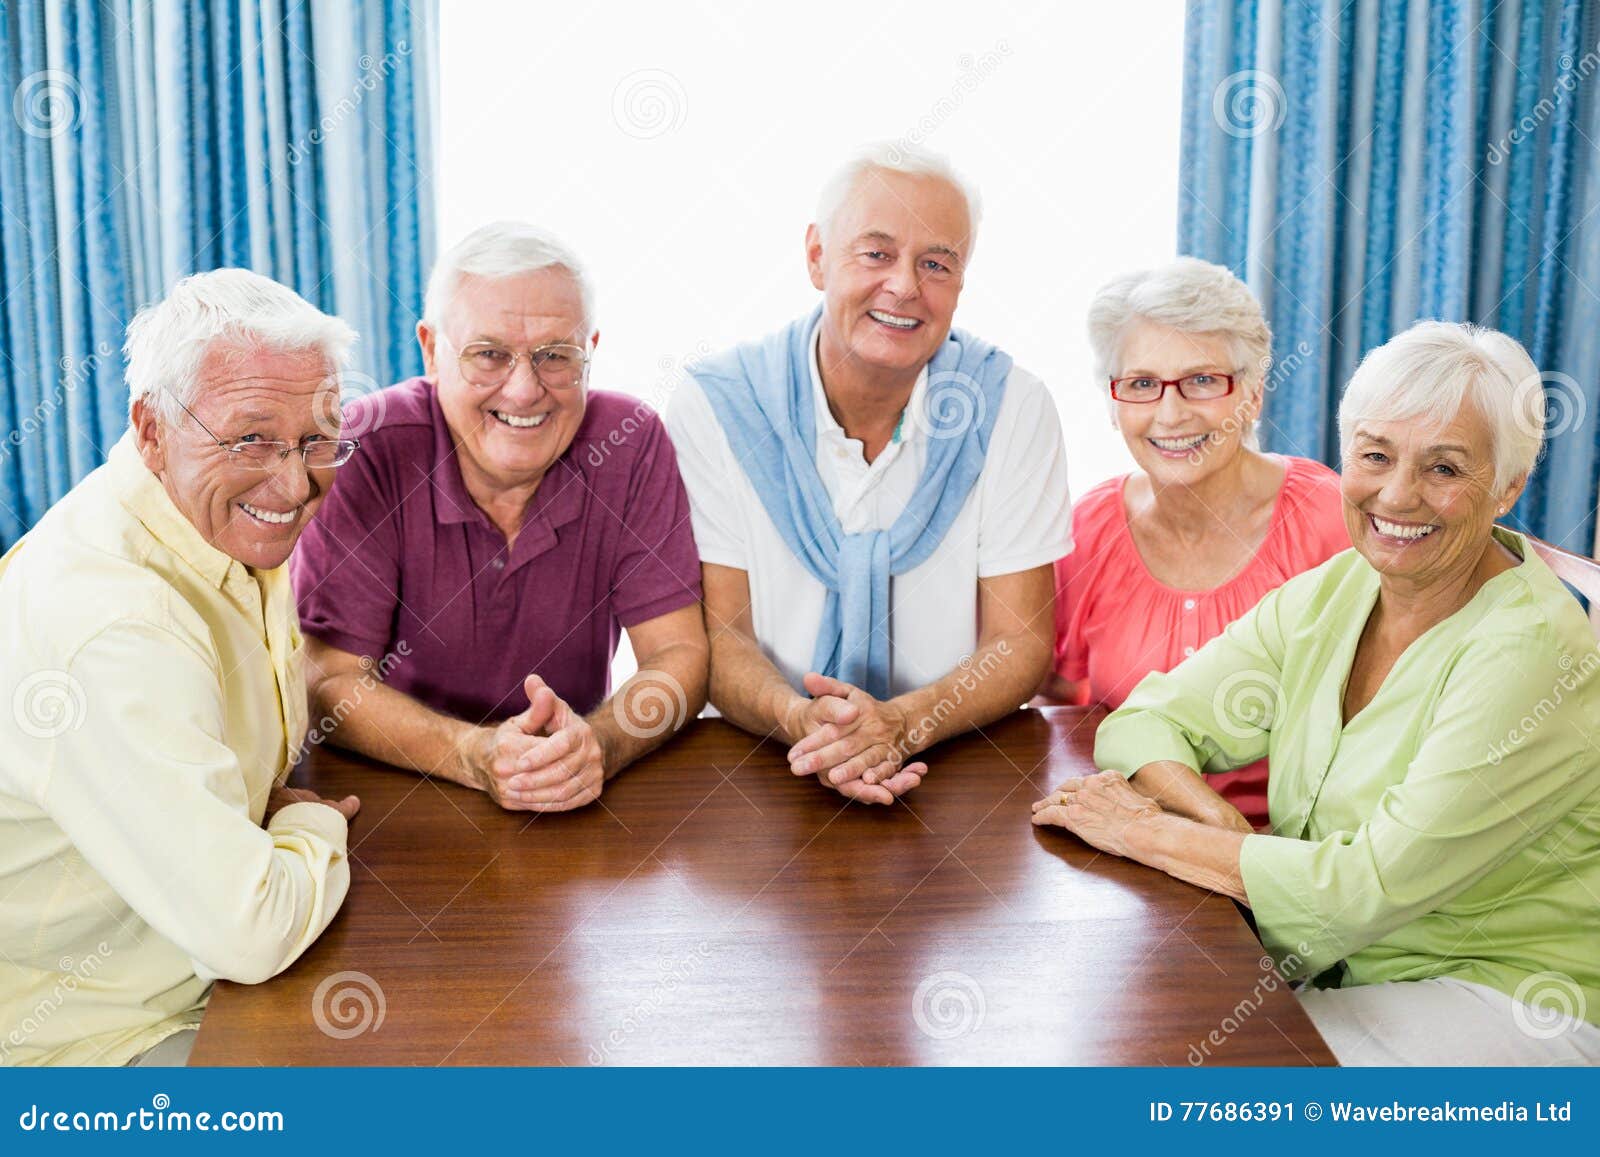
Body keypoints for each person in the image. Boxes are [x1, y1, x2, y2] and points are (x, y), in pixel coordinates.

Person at [1033, 321, 1600, 1064]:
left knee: (1180, 1076)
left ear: (1509, 485)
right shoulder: (1345, 586)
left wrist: (1143, 829)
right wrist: (1218, 828)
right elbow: (1148, 718)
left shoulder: (1532, 651)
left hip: (1495, 996)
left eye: (1445, 468)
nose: (1398, 494)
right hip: (1338, 969)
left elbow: (1357, 894)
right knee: (1118, 1031)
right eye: (1375, 455)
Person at [0, 270, 362, 1066]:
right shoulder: (117, 621)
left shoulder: (211, 521)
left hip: (189, 981)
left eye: (317, 437)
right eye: (252, 438)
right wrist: (313, 821)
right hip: (87, 1045)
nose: (296, 484)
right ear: (152, 429)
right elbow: (251, 932)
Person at [666, 143, 1071, 805]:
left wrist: (906, 724)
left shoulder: (1012, 405)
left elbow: (1019, 642)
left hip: (955, 770)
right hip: (752, 773)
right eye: (876, 252)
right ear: (817, 256)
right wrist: (807, 723)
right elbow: (721, 636)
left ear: (962, 282)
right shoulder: (716, 404)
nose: (906, 286)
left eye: (936, 263)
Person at [291, 222, 707, 812]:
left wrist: (600, 746)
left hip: (572, 795)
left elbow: (679, 654)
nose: (523, 390)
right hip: (398, 791)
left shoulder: (630, 440)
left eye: (555, 356)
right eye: (489, 355)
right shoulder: (368, 444)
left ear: (589, 353)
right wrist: (475, 754)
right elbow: (329, 679)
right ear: (431, 350)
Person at [1038, 258, 1348, 828]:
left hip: (1287, 860)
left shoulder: (1330, 521)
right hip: (1128, 850)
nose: (1171, 413)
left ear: (1252, 395)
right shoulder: (1087, 530)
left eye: (1203, 380)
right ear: (1113, 403)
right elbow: (1056, 700)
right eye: (1142, 384)